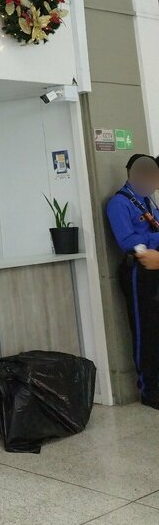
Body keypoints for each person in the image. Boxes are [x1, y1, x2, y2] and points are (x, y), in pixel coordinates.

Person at [107, 154, 159, 408]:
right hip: (139, 269)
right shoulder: (119, 203)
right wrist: (156, 242)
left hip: (156, 263)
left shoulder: (148, 201)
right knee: (145, 329)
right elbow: (127, 242)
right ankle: (149, 390)